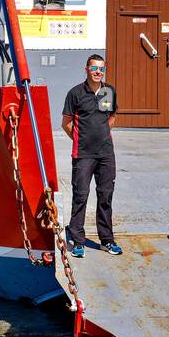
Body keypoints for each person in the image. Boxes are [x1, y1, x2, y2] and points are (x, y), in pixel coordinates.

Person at [61, 54, 121, 258]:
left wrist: (102, 135)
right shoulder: (75, 93)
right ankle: (77, 240)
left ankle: (107, 240)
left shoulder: (108, 91)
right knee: (81, 196)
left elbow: (111, 117)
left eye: (101, 69)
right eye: (94, 68)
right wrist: (80, 139)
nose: (98, 72)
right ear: (86, 69)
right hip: (83, 154)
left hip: (106, 154)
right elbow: (66, 123)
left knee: (105, 196)